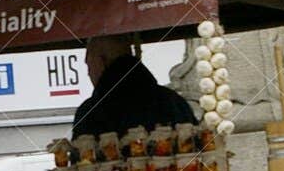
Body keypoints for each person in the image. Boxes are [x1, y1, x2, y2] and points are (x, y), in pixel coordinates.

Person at [70, 36, 198, 142]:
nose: (88, 73)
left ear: (101, 62)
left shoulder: (90, 112)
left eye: (89, 66)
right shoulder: (174, 102)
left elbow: (81, 165)